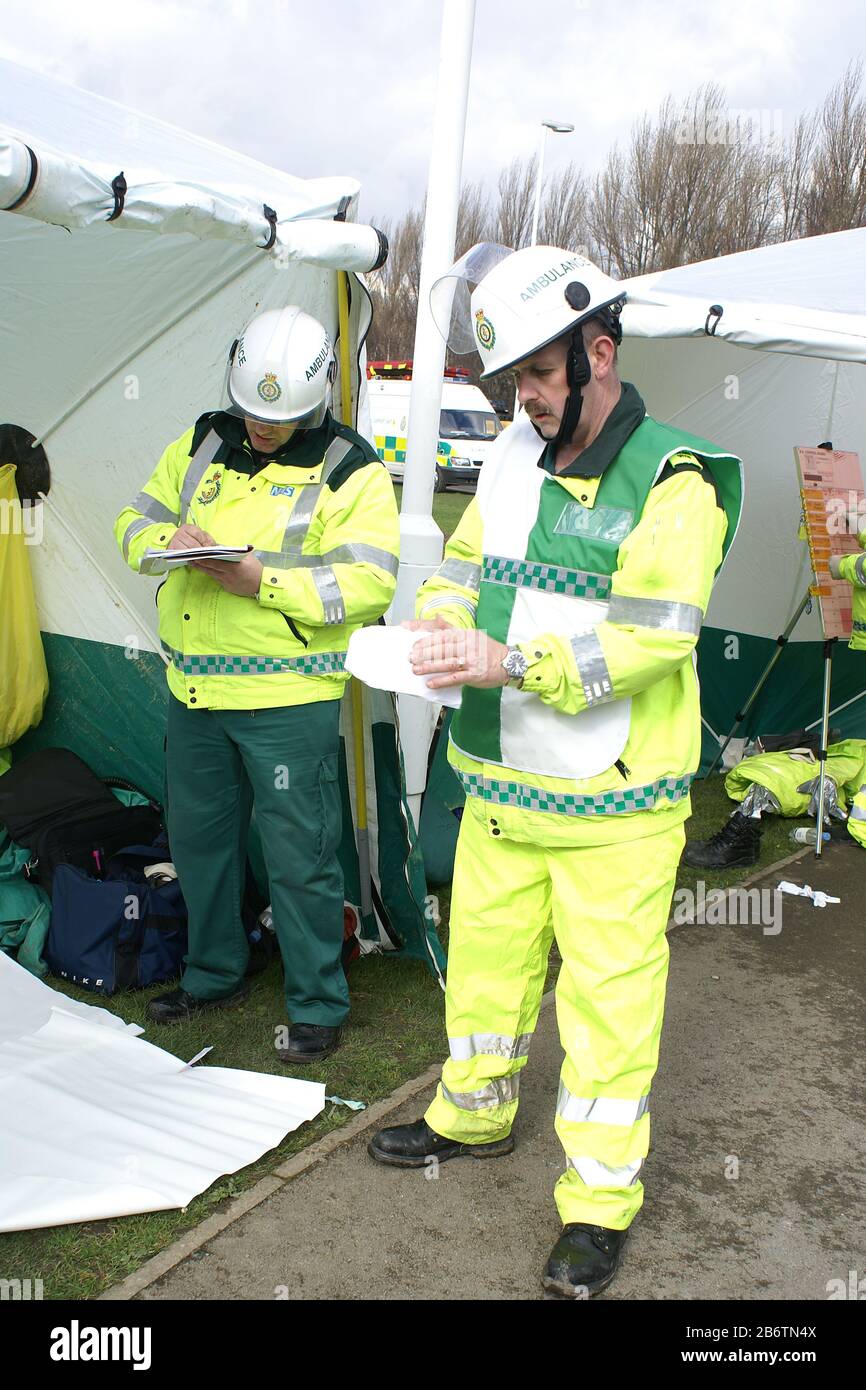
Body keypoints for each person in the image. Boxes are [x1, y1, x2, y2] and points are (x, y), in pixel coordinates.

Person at [368, 243, 743, 1297]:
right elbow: (459, 570)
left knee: (607, 1010)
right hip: (500, 788)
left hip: (616, 805)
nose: (522, 399)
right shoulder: (503, 462)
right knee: (482, 965)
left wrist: (510, 661)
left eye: (536, 374)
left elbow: (653, 637)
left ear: (598, 351)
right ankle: (472, 1113)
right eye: (510, 381)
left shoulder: (675, 478)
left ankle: (596, 1200)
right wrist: (439, 633)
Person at [115, 306, 400, 1062]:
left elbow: (371, 583)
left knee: (299, 855)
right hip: (195, 695)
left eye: (283, 416)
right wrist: (161, 545)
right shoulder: (204, 439)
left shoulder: (352, 468)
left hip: (288, 701)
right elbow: (133, 522)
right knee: (201, 846)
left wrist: (259, 580)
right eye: (253, 411)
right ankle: (214, 976)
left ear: (320, 397)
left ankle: (316, 1003)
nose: (264, 427)